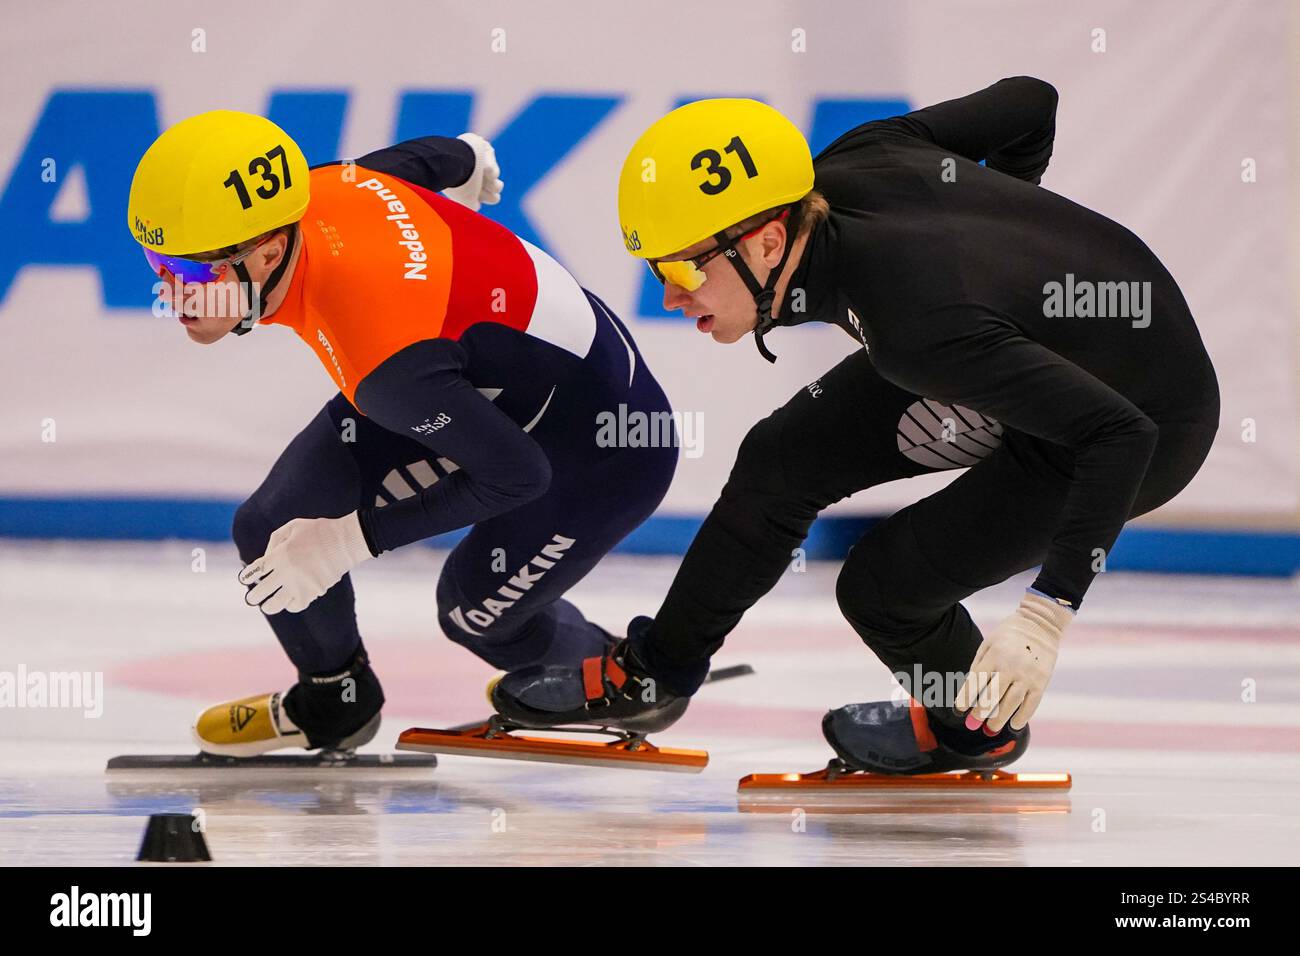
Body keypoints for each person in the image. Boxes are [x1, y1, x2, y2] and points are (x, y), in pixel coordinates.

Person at [492, 79, 1220, 775]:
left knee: (884, 586)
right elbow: (1031, 102)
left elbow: (1121, 434)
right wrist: (1002, 273)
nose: (670, 295)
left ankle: (974, 726)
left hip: (1143, 421)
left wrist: (1048, 610)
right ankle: (654, 675)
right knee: (779, 460)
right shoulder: (859, 159)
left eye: (682, 272)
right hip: (1004, 350)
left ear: (768, 244)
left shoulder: (918, 326)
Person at [126, 110, 677, 756]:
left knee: (474, 612)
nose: (171, 294)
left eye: (190, 275)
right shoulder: (318, 188)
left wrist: (345, 544)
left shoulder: (380, 357)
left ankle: (632, 679)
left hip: (605, 448)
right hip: (468, 371)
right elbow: (440, 157)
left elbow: (519, 474)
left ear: (269, 252)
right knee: (272, 527)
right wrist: (470, 163)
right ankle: (337, 703)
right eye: (156, 262)